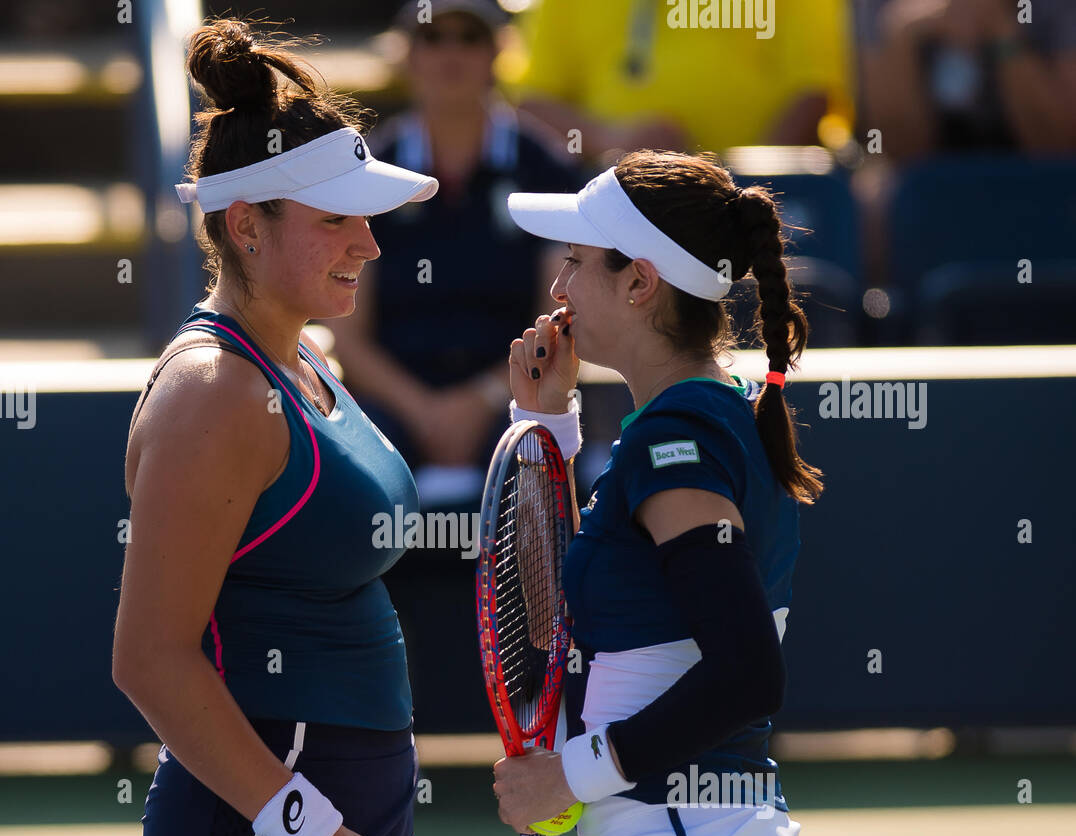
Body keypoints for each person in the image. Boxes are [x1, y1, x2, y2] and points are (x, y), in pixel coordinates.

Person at [112, 17, 449, 836]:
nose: (369, 244)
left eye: (366, 217)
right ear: (245, 227)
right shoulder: (215, 395)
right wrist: (307, 831)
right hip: (281, 815)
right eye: (336, 219)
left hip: (344, 799)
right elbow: (149, 658)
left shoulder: (307, 360)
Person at [491, 150, 819, 836]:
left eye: (576, 262)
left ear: (639, 283)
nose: (557, 286)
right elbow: (590, 612)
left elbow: (747, 674)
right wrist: (550, 426)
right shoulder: (708, 415)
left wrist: (571, 775)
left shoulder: (677, 438)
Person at [327, 0, 585, 510]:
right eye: (432, 37)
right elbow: (348, 335)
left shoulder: (546, 166)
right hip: (391, 411)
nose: (451, 54)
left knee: (541, 474)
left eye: (469, 37)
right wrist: (422, 410)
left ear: (498, 53)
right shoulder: (372, 169)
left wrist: (481, 402)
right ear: (408, 55)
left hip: (514, 400)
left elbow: (558, 316)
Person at [511, 0, 854, 160]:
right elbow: (531, 104)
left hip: (758, 213)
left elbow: (814, 95)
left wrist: (740, 191)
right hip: (618, 203)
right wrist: (609, 140)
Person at [856, 0, 1076, 157]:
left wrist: (1002, 32)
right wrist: (904, 35)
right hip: (932, 188)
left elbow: (1058, 147)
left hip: (1034, 187)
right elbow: (898, 152)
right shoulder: (880, 7)